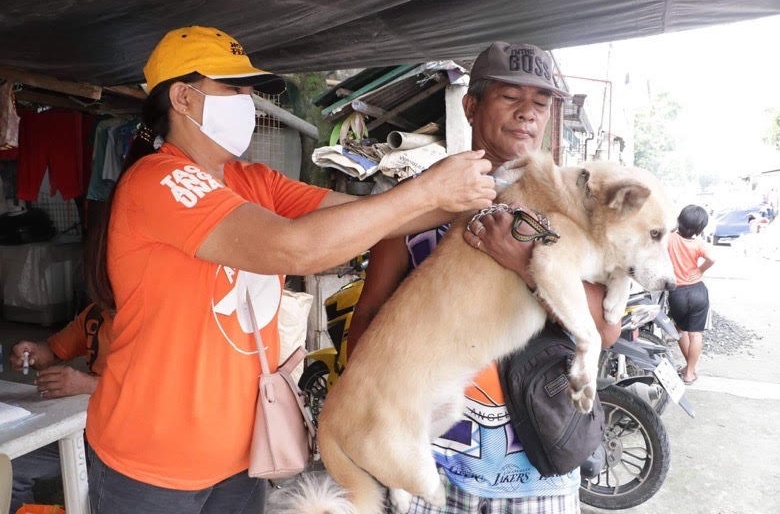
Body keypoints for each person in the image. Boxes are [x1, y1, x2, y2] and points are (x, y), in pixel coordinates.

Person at [82, 25, 497, 514]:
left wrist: (476, 193)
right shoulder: (159, 181)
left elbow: (384, 218)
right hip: (150, 461)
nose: (250, 101)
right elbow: (292, 249)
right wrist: (428, 192)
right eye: (234, 88)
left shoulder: (252, 179)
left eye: (251, 90)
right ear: (183, 98)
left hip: (242, 456)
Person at [348, 42, 620, 513]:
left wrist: (524, 262)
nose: (527, 115)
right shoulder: (416, 201)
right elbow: (370, 312)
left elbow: (606, 329)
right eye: (510, 98)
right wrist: (367, 418)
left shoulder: (571, 204)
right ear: (471, 105)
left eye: (540, 103)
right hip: (428, 462)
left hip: (535, 464)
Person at [7, 302, 112, 512]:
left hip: (135, 447)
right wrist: (33, 352)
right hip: (84, 434)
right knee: (8, 469)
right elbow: (53, 350)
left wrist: (89, 385)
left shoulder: (163, 317)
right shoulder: (97, 312)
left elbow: (166, 391)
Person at [667, 204, 716, 385]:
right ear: (699, 228)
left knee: (680, 331)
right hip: (698, 291)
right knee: (696, 334)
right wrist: (701, 270)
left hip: (677, 292)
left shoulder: (669, 239)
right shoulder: (698, 244)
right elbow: (712, 259)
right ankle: (689, 372)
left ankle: (689, 368)